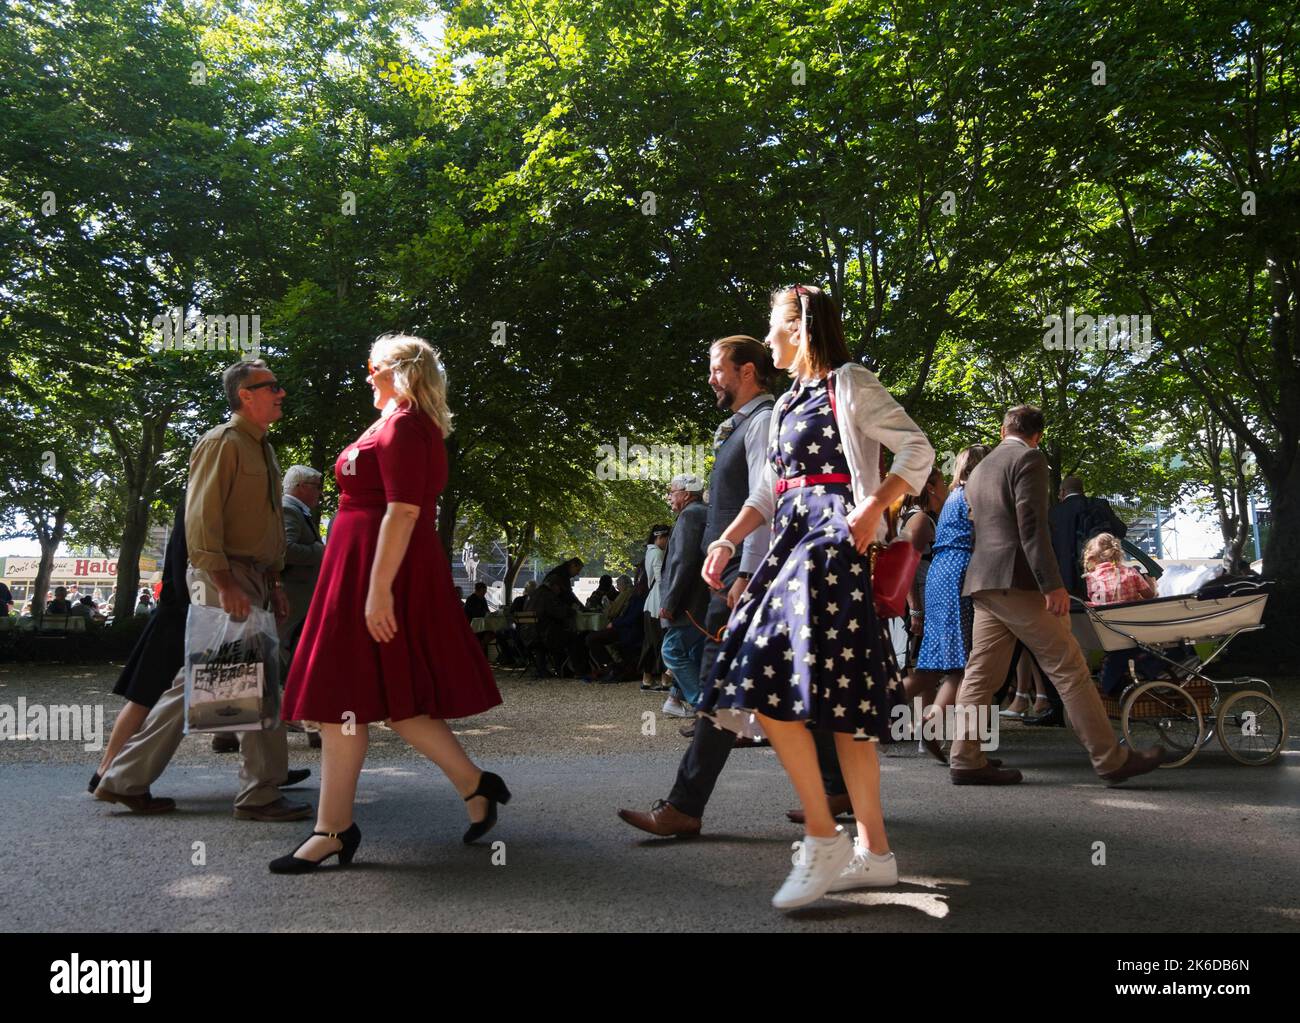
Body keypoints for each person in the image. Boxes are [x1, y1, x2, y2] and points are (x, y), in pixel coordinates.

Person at [693, 284, 935, 909]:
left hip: (829, 545)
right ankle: (875, 855)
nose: (767, 336)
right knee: (846, 713)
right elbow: (772, 491)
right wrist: (725, 539)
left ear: (800, 328)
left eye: (773, 325)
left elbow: (918, 448)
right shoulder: (786, 405)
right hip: (792, 543)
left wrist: (874, 506)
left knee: (757, 670)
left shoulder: (849, 381)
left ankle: (825, 836)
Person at [275, 334, 506, 872]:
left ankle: (335, 829)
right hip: (365, 567)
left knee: (358, 695)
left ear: (396, 371)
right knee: (371, 698)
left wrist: (378, 590)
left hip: (380, 571)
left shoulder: (403, 425)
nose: (366, 376)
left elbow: (403, 512)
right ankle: (470, 787)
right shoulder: (395, 422)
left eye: (372, 368)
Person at [617, 329, 851, 842]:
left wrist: (745, 572)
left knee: (721, 684)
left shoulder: (764, 422)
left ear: (748, 371)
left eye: (717, 368)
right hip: (752, 578)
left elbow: (768, 502)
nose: (710, 378)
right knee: (796, 683)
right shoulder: (746, 423)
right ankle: (837, 790)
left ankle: (683, 807)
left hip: (750, 581)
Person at [95, 359, 312, 820]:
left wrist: (272, 581)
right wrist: (224, 581)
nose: (280, 392)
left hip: (250, 577)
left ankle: (125, 780)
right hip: (227, 577)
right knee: (234, 681)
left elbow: (264, 527)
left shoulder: (263, 449)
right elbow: (200, 521)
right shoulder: (221, 443)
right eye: (269, 385)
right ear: (244, 395)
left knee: (224, 681)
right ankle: (257, 793)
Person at [947, 405, 1167, 786]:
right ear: (1038, 436)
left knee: (981, 675)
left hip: (984, 580)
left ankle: (965, 757)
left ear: (1003, 431)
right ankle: (1110, 759)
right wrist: (1052, 585)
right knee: (1069, 668)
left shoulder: (980, 468)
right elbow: (1030, 525)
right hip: (1019, 581)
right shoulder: (1031, 459)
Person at [906, 445, 987, 763]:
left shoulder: (953, 495)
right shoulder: (975, 495)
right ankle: (931, 722)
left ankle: (872, 711)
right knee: (963, 663)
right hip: (959, 573)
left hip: (940, 573)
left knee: (928, 667)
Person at [276, 464, 327, 752]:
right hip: (293, 600)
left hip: (296, 601)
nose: (320, 493)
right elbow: (284, 549)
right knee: (296, 662)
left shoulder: (294, 510)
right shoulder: (289, 510)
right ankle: (310, 725)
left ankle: (308, 723)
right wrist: (320, 551)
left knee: (293, 660)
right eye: (316, 486)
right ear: (300, 487)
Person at [1082, 532, 1167, 694]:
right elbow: (1150, 597)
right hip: (1130, 630)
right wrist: (1152, 585)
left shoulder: (1090, 578)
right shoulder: (1130, 573)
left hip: (1105, 631)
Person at [656, 473, 710, 716]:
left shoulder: (690, 515)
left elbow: (683, 561)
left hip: (689, 602)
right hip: (700, 599)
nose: (669, 496)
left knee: (672, 651)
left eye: (672, 491)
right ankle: (675, 700)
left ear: (686, 494)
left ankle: (702, 705)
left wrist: (669, 601)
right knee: (693, 651)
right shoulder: (701, 513)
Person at [1049, 476, 1127, 598]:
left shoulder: (1054, 513)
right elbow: (1121, 531)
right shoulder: (1099, 505)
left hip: (1067, 580)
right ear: (1082, 490)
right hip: (1100, 578)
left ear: (1063, 492)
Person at [638, 526, 670, 690]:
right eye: (667, 538)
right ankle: (665, 679)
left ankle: (647, 678)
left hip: (651, 603)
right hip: (658, 602)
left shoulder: (650, 552)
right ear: (661, 537)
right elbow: (661, 579)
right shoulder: (657, 553)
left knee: (650, 642)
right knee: (662, 641)